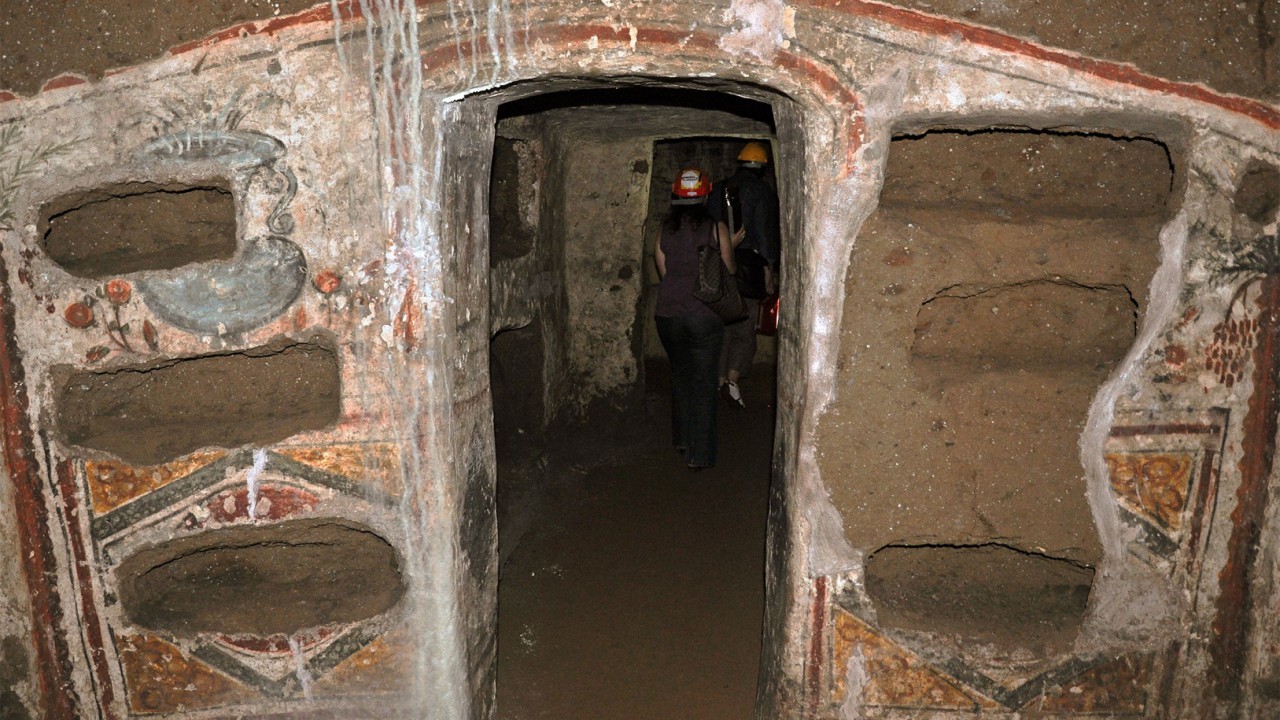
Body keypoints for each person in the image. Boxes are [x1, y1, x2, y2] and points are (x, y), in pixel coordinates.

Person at [654, 168, 743, 471]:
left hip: (668, 314)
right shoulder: (715, 228)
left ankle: (681, 439)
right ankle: (699, 454)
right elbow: (729, 269)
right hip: (703, 315)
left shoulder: (664, 230)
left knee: (680, 375)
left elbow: (663, 271)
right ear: (705, 195)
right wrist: (730, 245)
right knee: (704, 383)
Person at [708, 140, 781, 410]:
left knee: (722, 326)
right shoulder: (762, 192)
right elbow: (764, 233)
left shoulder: (717, 189)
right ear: (761, 168)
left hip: (718, 266)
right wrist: (769, 268)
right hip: (748, 269)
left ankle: (718, 380)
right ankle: (732, 380)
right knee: (744, 326)